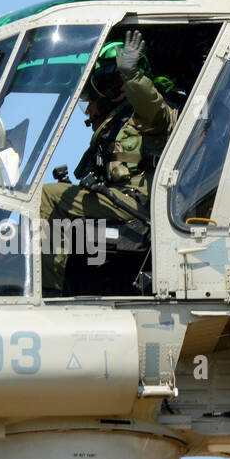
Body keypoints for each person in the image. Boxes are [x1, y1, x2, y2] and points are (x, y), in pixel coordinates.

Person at [38, 30, 177, 295]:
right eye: (105, 85)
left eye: (117, 81)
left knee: (48, 197)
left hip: (137, 202)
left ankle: (47, 290)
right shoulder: (115, 125)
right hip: (117, 199)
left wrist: (132, 76)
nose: (89, 109)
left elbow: (153, 106)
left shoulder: (147, 115)